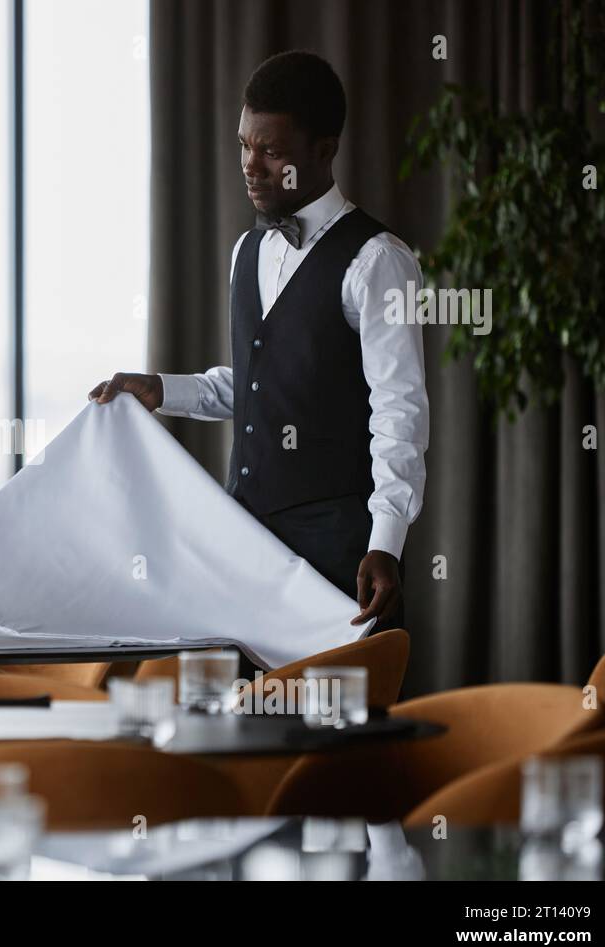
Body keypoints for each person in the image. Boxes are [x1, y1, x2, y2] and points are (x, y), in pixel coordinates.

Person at [90, 51, 428, 630]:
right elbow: (255, 385)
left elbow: (400, 411)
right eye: (244, 145)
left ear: (324, 150)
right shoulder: (247, 250)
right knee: (244, 715)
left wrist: (387, 542)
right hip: (245, 544)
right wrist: (161, 389)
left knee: (331, 715)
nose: (251, 165)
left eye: (271, 152)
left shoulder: (378, 261)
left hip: (338, 550)